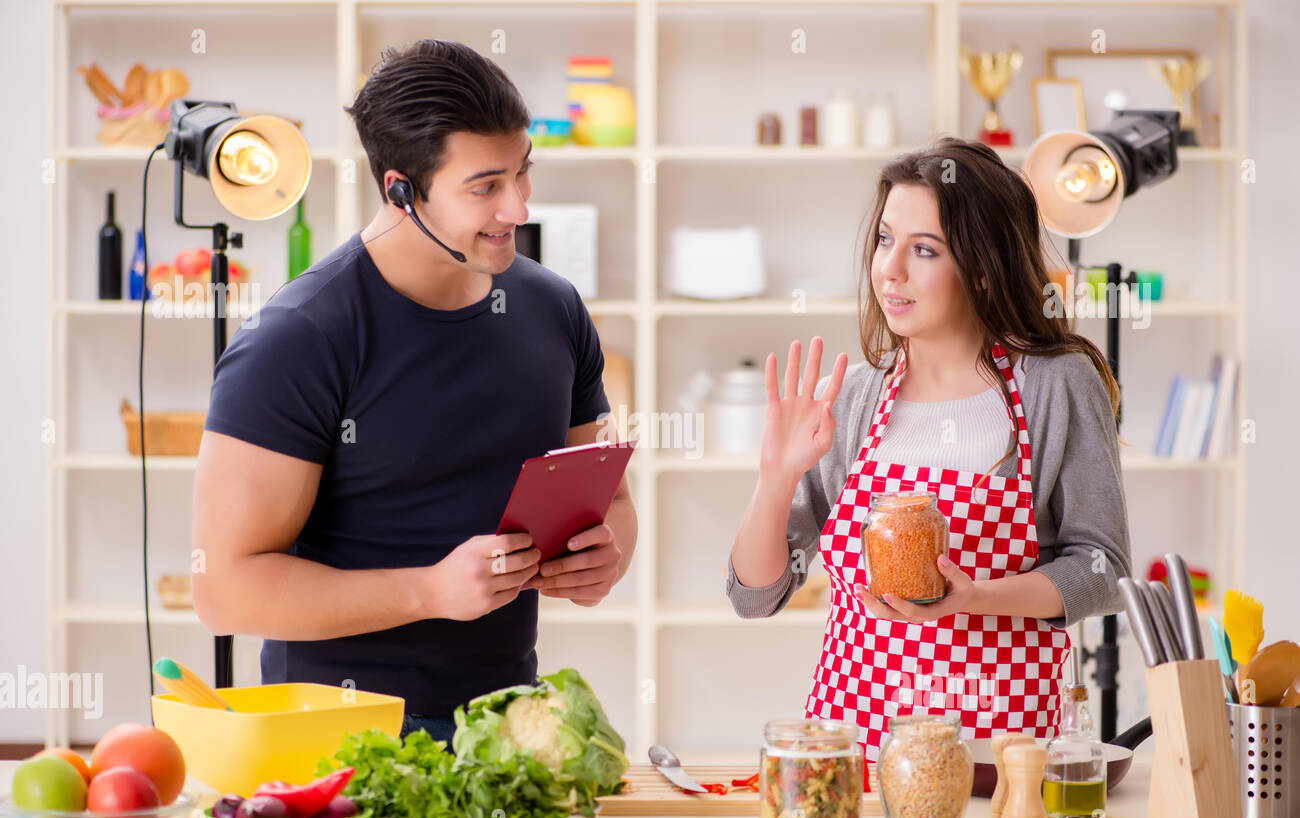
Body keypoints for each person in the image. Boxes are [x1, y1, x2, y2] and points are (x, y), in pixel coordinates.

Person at [191, 39, 637, 747]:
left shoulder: (555, 308)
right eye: (485, 186)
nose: (518, 207)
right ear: (401, 189)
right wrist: (429, 590)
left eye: (523, 173)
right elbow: (222, 590)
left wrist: (603, 556)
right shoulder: (300, 336)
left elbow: (609, 501)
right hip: (336, 743)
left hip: (506, 733)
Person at [727, 137, 1130, 770]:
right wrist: (775, 477)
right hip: (853, 753)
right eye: (885, 240)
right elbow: (755, 596)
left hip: (998, 758)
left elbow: (1104, 571)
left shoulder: (1054, 385)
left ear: (982, 267)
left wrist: (975, 598)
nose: (890, 270)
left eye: (924, 250)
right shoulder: (858, 397)